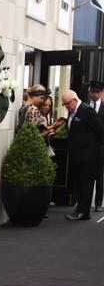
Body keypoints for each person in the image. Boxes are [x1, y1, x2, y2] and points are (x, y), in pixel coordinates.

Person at [61, 89, 104, 221]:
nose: (66, 107)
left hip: (88, 156)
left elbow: (100, 130)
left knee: (86, 184)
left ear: (74, 100)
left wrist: (93, 148)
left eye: (67, 104)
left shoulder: (86, 110)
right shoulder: (73, 112)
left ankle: (84, 212)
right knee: (79, 183)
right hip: (78, 156)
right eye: (64, 105)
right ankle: (79, 209)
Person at [88, 80, 104, 211]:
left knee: (99, 175)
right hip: (87, 146)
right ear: (90, 92)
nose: (95, 94)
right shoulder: (85, 106)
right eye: (93, 92)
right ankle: (84, 202)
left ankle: (98, 203)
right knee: (86, 175)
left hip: (100, 146)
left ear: (102, 93)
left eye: (98, 92)